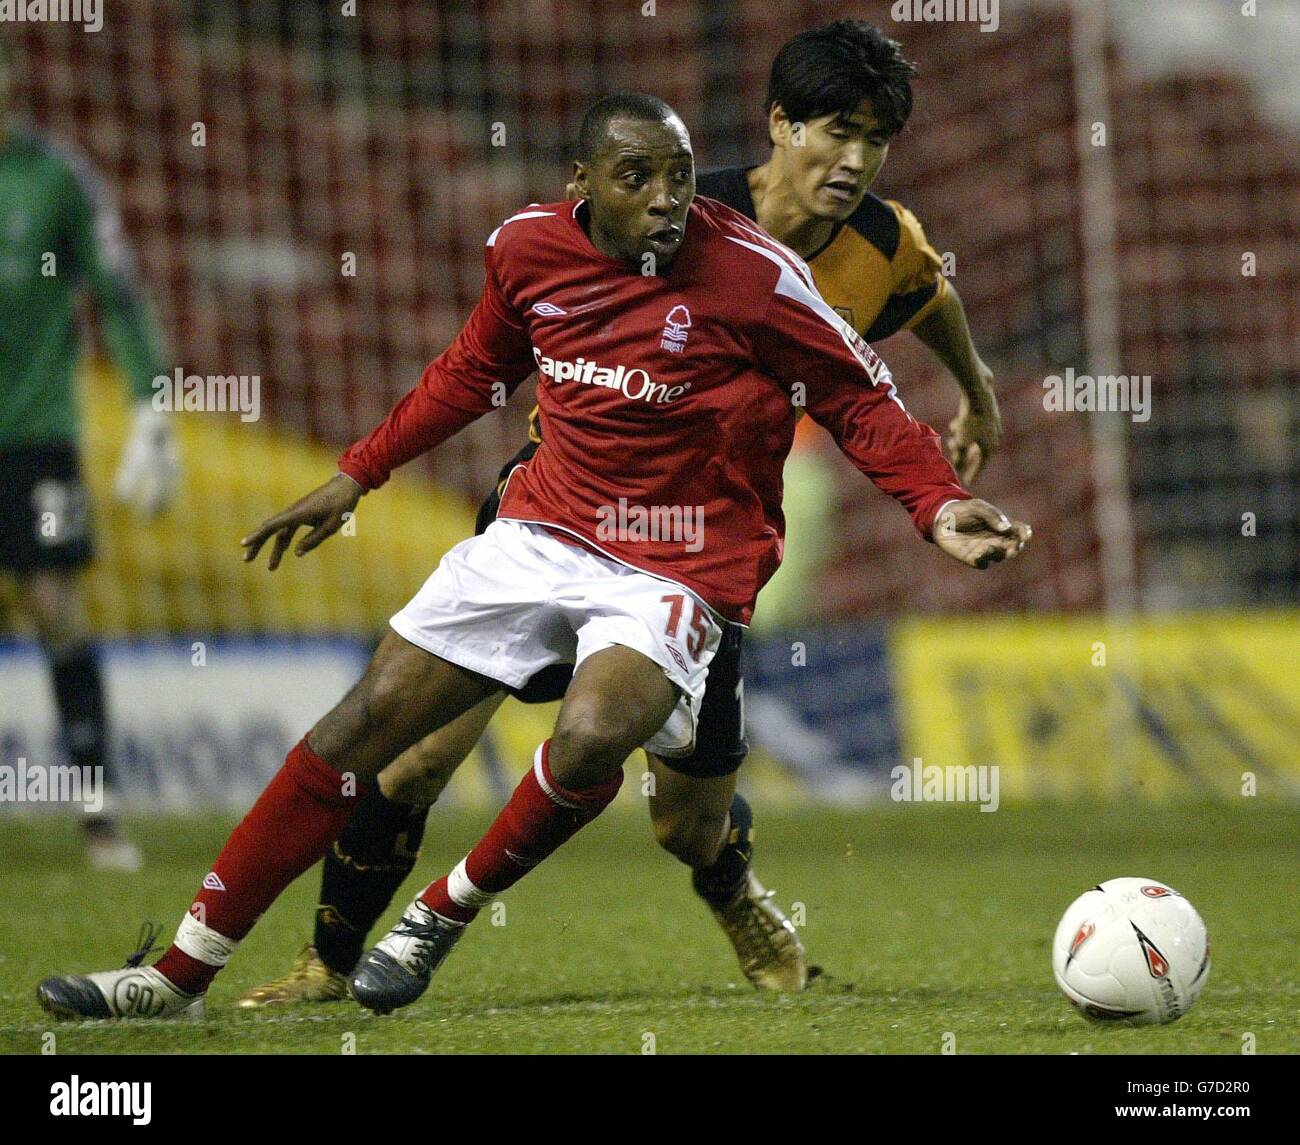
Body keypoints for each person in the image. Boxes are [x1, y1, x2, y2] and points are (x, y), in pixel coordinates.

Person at [37, 89, 1028, 1021]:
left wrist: (938, 507)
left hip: (679, 562)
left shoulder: (756, 275)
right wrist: (358, 473)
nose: (668, 199)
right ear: (581, 183)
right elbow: (474, 369)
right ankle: (178, 973)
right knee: (361, 732)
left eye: (681, 175)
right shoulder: (526, 249)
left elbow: (859, 398)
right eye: (637, 176)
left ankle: (443, 909)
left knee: (599, 735)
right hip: (541, 528)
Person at [0, 41, 178, 871]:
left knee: (57, 610)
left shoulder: (56, 178)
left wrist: (153, 408)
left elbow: (118, 290)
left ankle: (99, 810)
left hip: (37, 437)